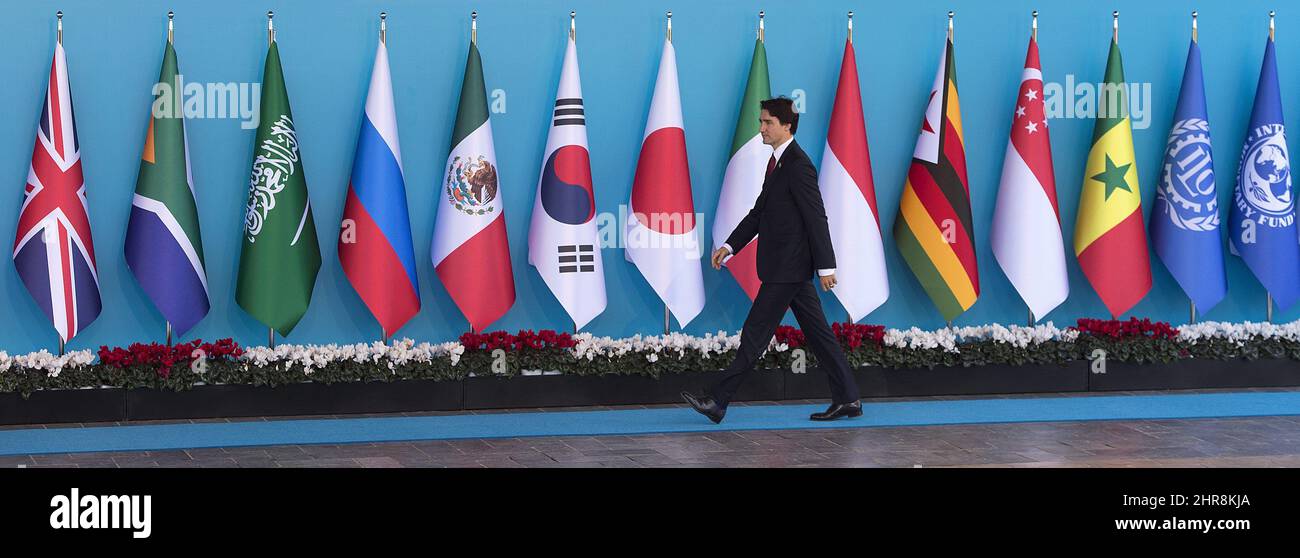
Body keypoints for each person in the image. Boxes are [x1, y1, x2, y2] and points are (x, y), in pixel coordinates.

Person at [681, 97, 862, 424]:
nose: (761, 128)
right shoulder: (779, 163)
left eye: (767, 123)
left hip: (787, 269)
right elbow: (758, 214)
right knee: (819, 335)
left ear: (786, 126)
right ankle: (848, 398)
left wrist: (827, 267)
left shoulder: (798, 165)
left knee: (754, 334)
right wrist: (730, 246)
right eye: (761, 121)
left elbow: (816, 217)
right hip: (786, 269)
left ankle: (718, 401)